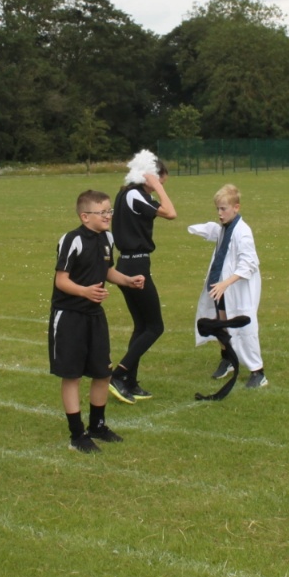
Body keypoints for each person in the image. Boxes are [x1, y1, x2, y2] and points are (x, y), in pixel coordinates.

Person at [50, 190, 143, 452]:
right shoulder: (72, 240)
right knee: (72, 375)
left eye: (109, 211)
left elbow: (106, 270)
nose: (108, 216)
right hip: (69, 316)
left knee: (102, 372)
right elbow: (61, 280)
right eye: (102, 212)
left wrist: (127, 280)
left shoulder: (107, 239)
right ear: (85, 216)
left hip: (95, 316)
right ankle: (77, 435)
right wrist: (85, 291)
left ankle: (97, 426)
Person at [108, 150, 177, 404]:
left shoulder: (128, 194)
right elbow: (171, 212)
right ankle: (119, 374)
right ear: (148, 175)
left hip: (129, 263)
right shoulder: (135, 194)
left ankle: (130, 381)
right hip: (135, 266)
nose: (161, 185)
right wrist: (158, 187)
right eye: (161, 180)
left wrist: (155, 185)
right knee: (155, 326)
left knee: (141, 325)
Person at [188, 184, 265, 389]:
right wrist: (197, 229)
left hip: (235, 290)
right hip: (219, 287)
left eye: (223, 209)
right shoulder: (224, 228)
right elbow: (216, 233)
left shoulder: (243, 232)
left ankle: (258, 372)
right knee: (220, 324)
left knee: (245, 327)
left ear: (236, 207)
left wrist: (226, 283)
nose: (220, 214)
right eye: (218, 209)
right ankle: (228, 358)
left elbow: (248, 264)